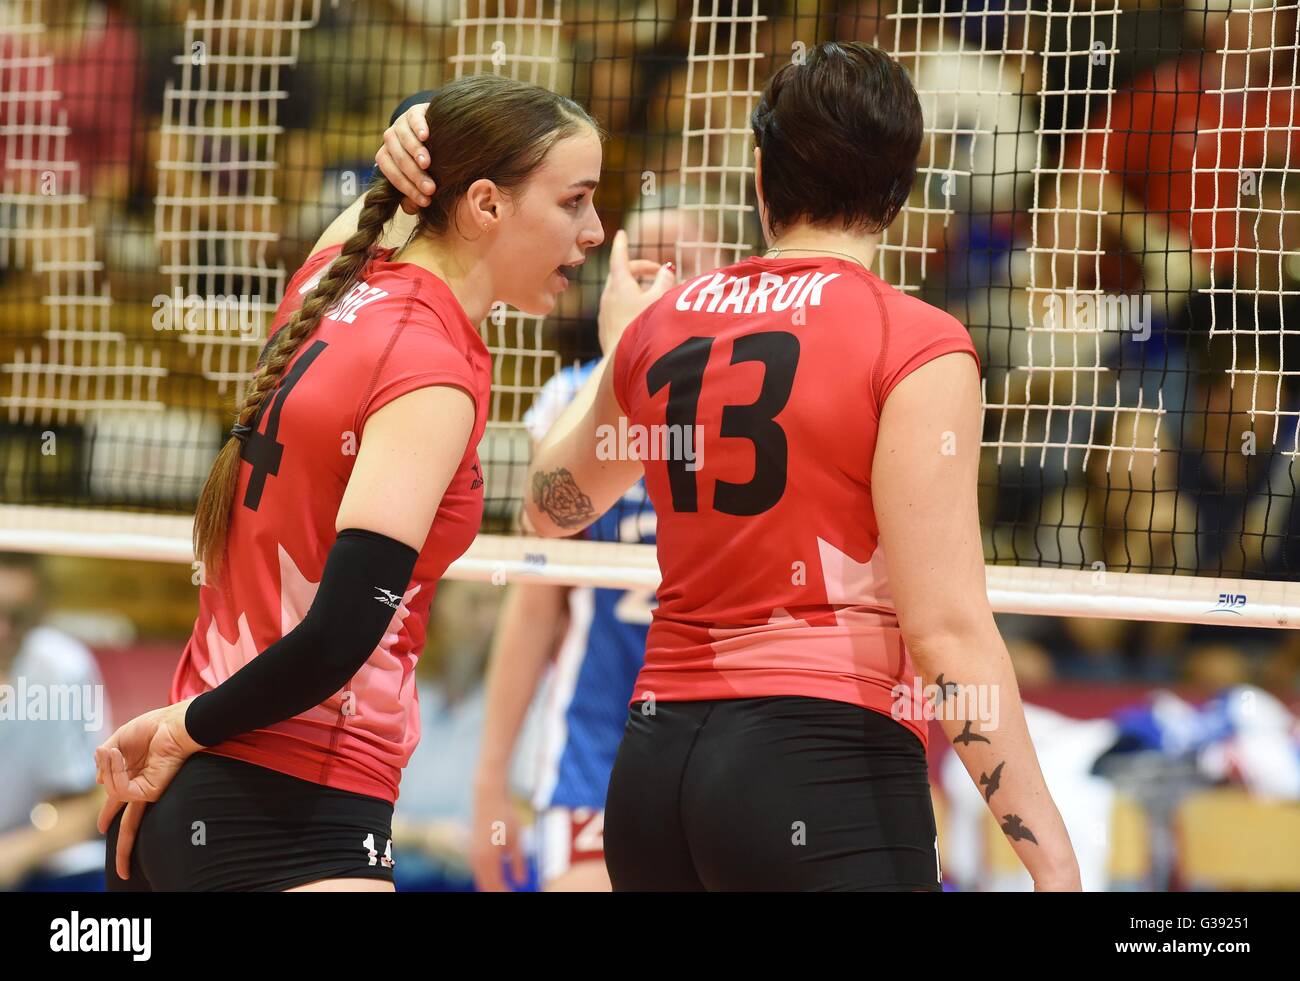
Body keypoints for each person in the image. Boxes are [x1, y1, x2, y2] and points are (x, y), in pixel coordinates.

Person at [516, 40, 1082, 890]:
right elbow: (946, 632)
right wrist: (1053, 859)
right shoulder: (917, 343)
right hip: (819, 765)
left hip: (653, 771)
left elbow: (549, 509)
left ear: (759, 176)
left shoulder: (658, 328)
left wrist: (613, 351)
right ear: (900, 189)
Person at [92, 74, 666, 892]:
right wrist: (186, 728)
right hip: (292, 802)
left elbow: (405, 180)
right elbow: (338, 634)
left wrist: (413, 125)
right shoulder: (429, 367)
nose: (594, 232)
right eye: (573, 201)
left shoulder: (336, 277)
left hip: (204, 801)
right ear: (486, 205)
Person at [0, 552, 110, 891]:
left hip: (31, 867)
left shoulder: (62, 668)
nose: (2, 631)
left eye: (17, 617)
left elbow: (92, 799)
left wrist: (15, 854)